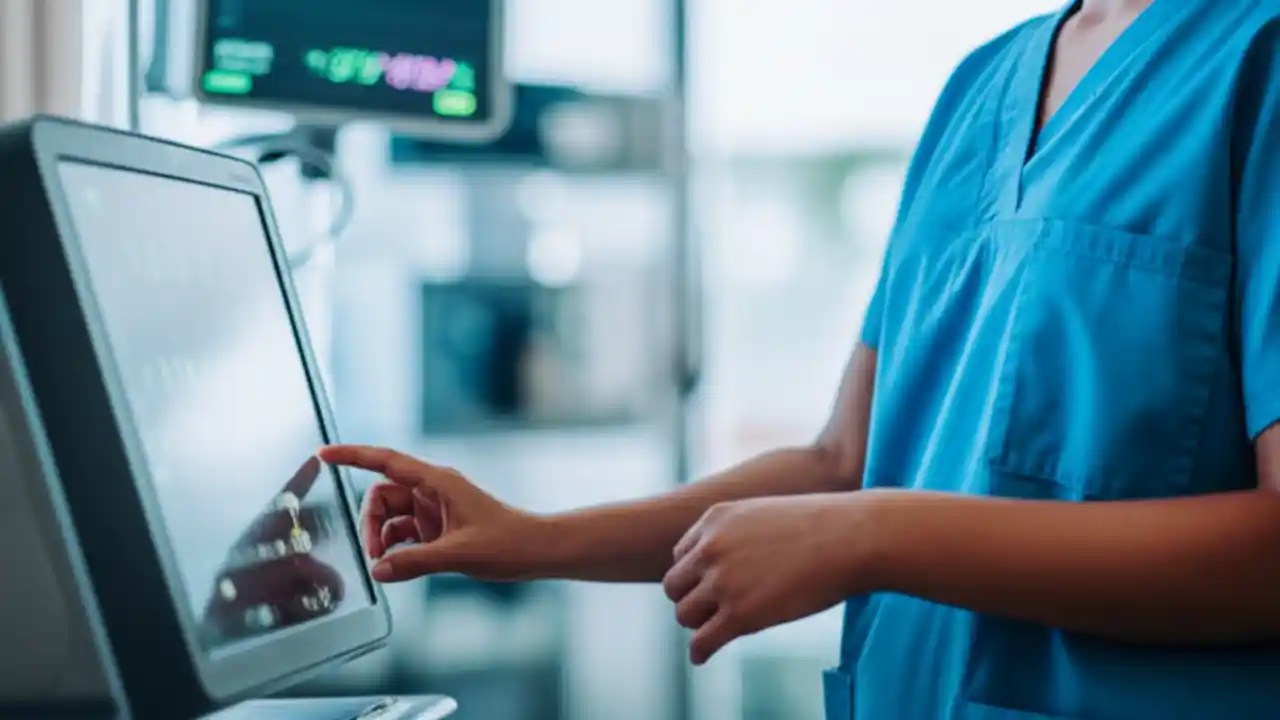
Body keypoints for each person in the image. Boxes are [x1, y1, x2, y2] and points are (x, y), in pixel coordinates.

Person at [322, 0, 1280, 717]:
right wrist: (529, 540)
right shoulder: (981, 86)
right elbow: (840, 464)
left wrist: (872, 537)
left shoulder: (1257, 59)